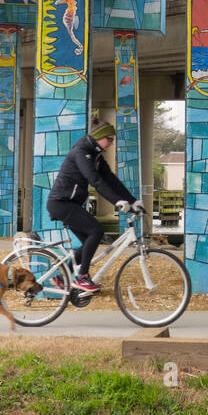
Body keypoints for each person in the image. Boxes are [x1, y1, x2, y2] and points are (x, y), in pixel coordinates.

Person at [46, 120, 141, 293]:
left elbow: (111, 179)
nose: (111, 143)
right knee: (97, 231)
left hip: (69, 204)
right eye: (109, 139)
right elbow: (95, 181)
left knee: (89, 241)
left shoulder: (95, 154)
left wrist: (133, 200)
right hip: (61, 203)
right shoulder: (81, 152)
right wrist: (117, 201)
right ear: (98, 137)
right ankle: (82, 277)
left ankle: (62, 276)